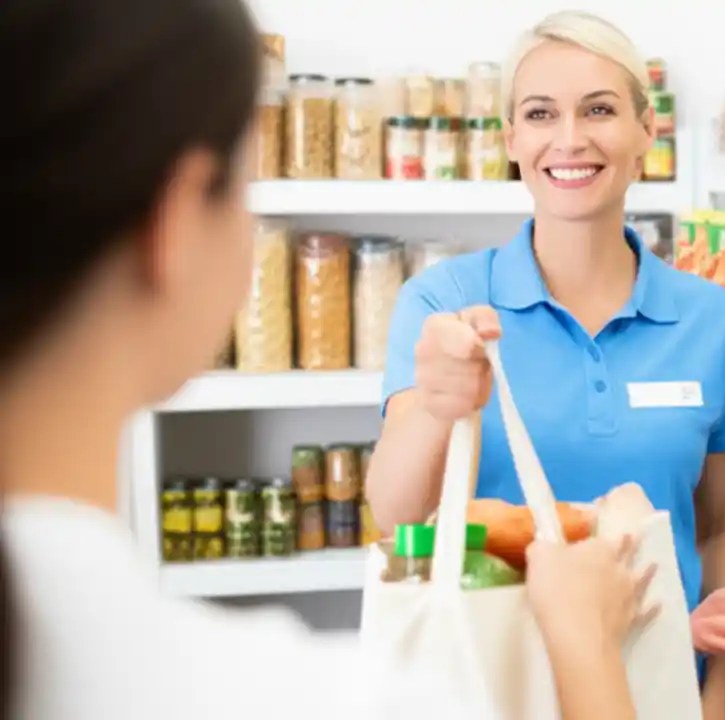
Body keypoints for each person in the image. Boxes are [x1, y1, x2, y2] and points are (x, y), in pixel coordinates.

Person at [0, 1, 654, 718]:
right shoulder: (312, 697)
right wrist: (583, 640)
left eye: (596, 109)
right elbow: (392, 512)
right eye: (243, 184)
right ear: (177, 224)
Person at [366, 11, 725, 718]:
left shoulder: (717, 323)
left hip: (659, 683)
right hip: (485, 689)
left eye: (599, 109)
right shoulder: (444, 302)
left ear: (645, 131)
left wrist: (715, 698)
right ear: (512, 140)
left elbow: (716, 528)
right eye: (540, 114)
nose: (570, 138)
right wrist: (440, 403)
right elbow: (396, 515)